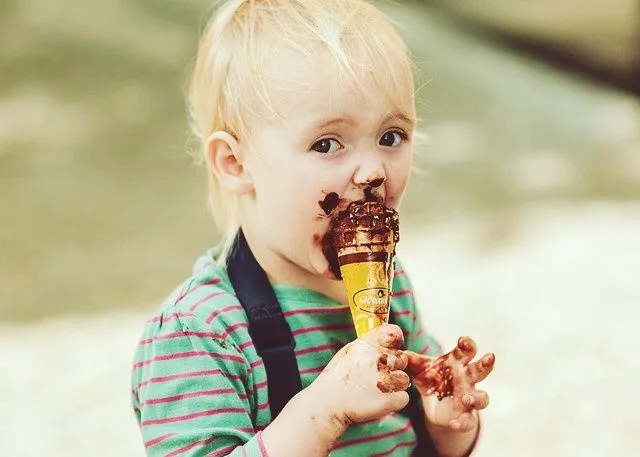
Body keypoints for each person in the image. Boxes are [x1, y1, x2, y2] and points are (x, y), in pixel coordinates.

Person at [130, 0, 495, 455]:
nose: (371, 171)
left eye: (390, 136)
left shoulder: (391, 289)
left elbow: (418, 442)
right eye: (327, 143)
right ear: (236, 163)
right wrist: (324, 411)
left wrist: (444, 422)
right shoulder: (202, 332)